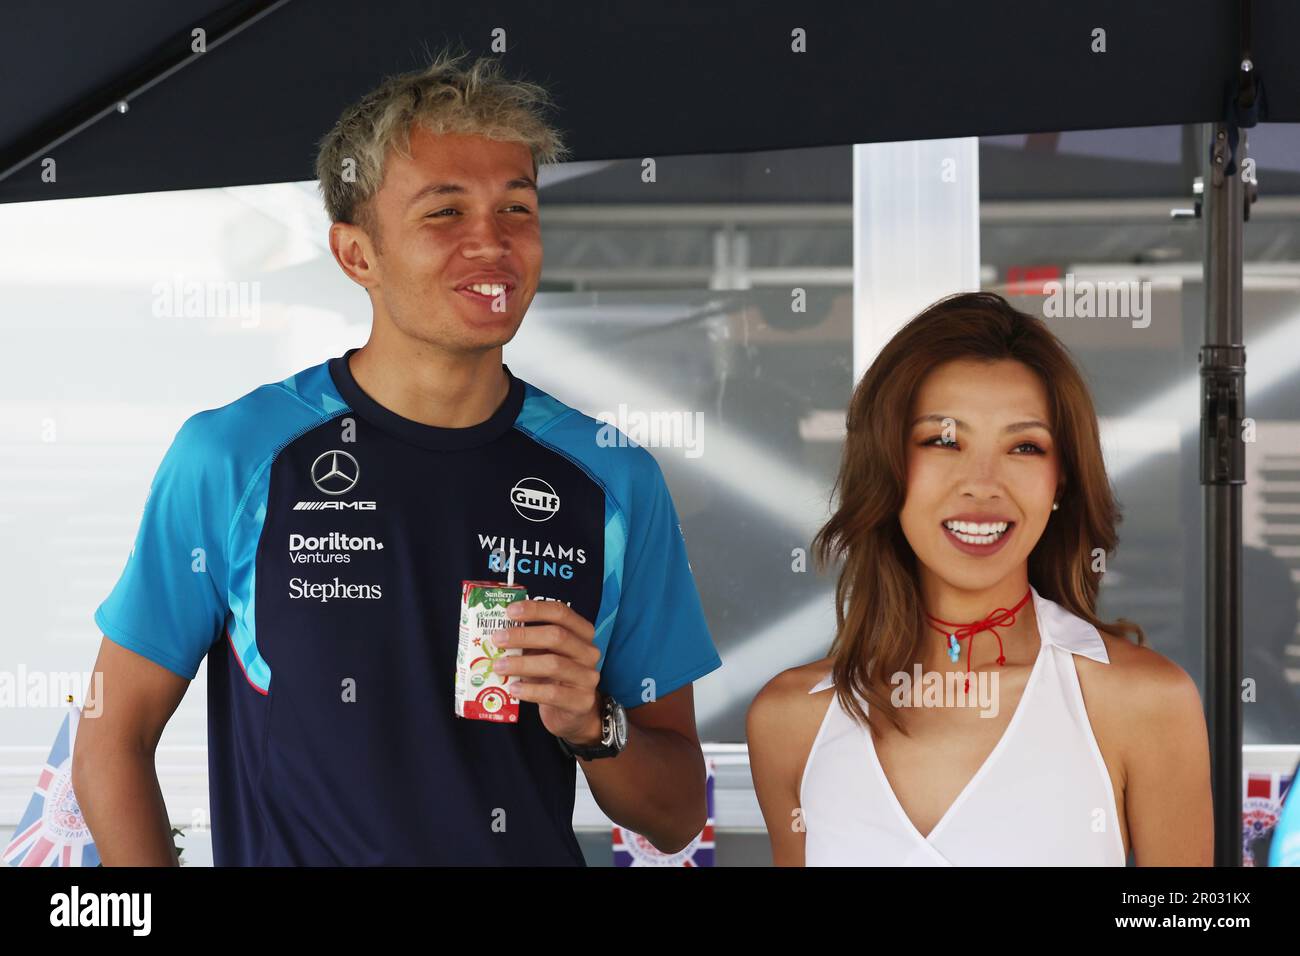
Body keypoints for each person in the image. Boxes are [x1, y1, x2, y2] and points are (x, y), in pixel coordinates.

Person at [72, 49, 721, 866]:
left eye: (516, 208)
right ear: (357, 255)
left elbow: (674, 815)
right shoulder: (234, 455)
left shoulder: (613, 477)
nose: (492, 242)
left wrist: (595, 725)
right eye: (445, 212)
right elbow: (111, 739)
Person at [747, 292, 1213, 866]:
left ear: (1061, 480)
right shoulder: (789, 720)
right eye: (944, 441)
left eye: (1024, 446)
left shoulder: (1146, 703)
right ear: (887, 466)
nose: (983, 484)